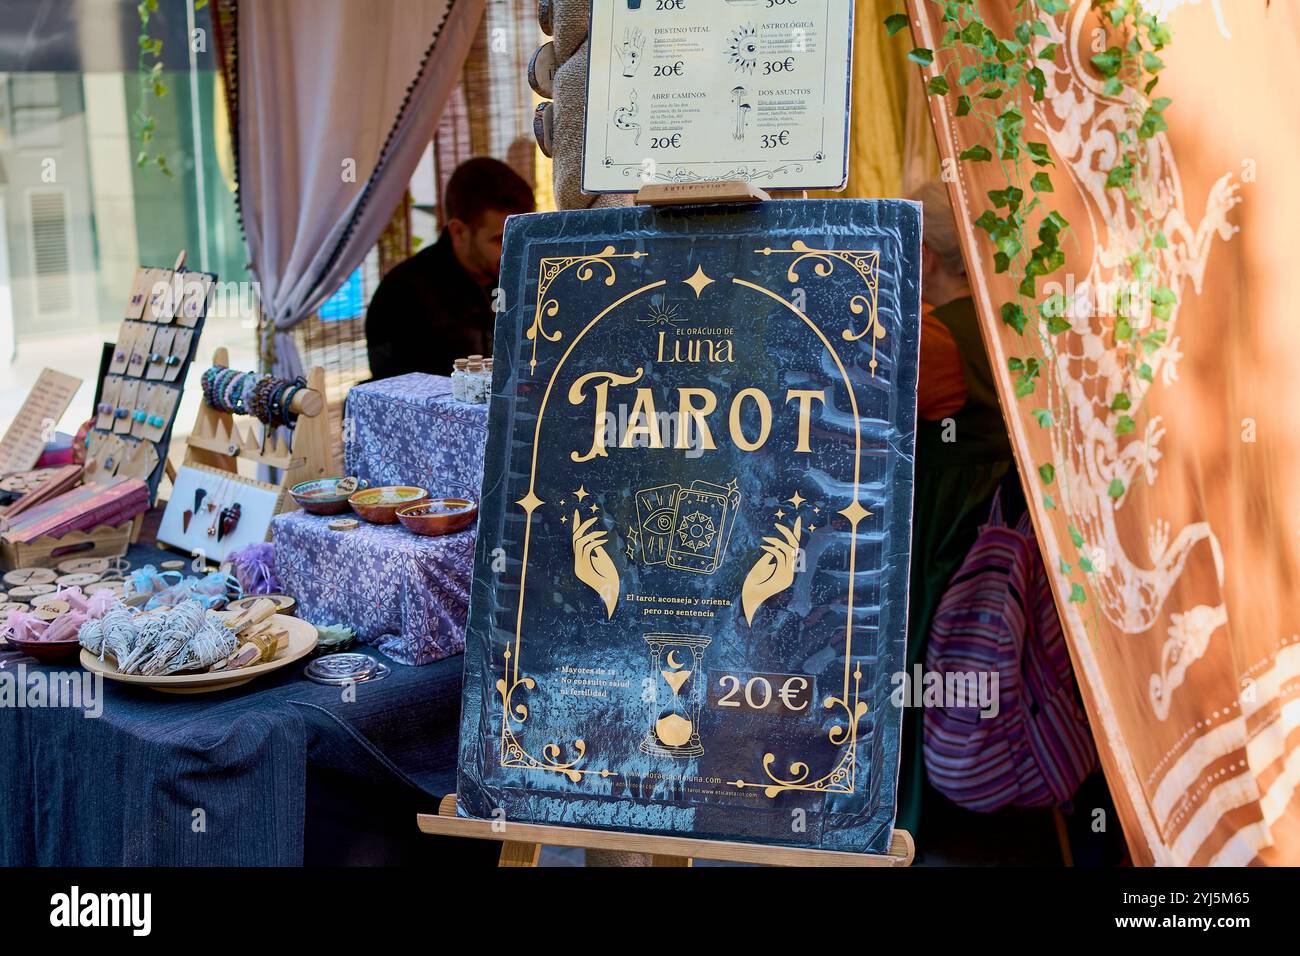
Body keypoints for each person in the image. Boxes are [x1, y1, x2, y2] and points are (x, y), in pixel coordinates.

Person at [897, 180, 1018, 841]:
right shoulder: (1006, 317)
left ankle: (909, 815)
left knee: (916, 669)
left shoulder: (935, 340)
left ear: (926, 258)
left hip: (945, 537)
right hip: (1000, 530)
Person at [365, 157, 536, 380]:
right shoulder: (403, 297)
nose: (516, 251)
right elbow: (401, 397)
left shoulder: (523, 278)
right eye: (499, 240)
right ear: (458, 231)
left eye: (521, 236)